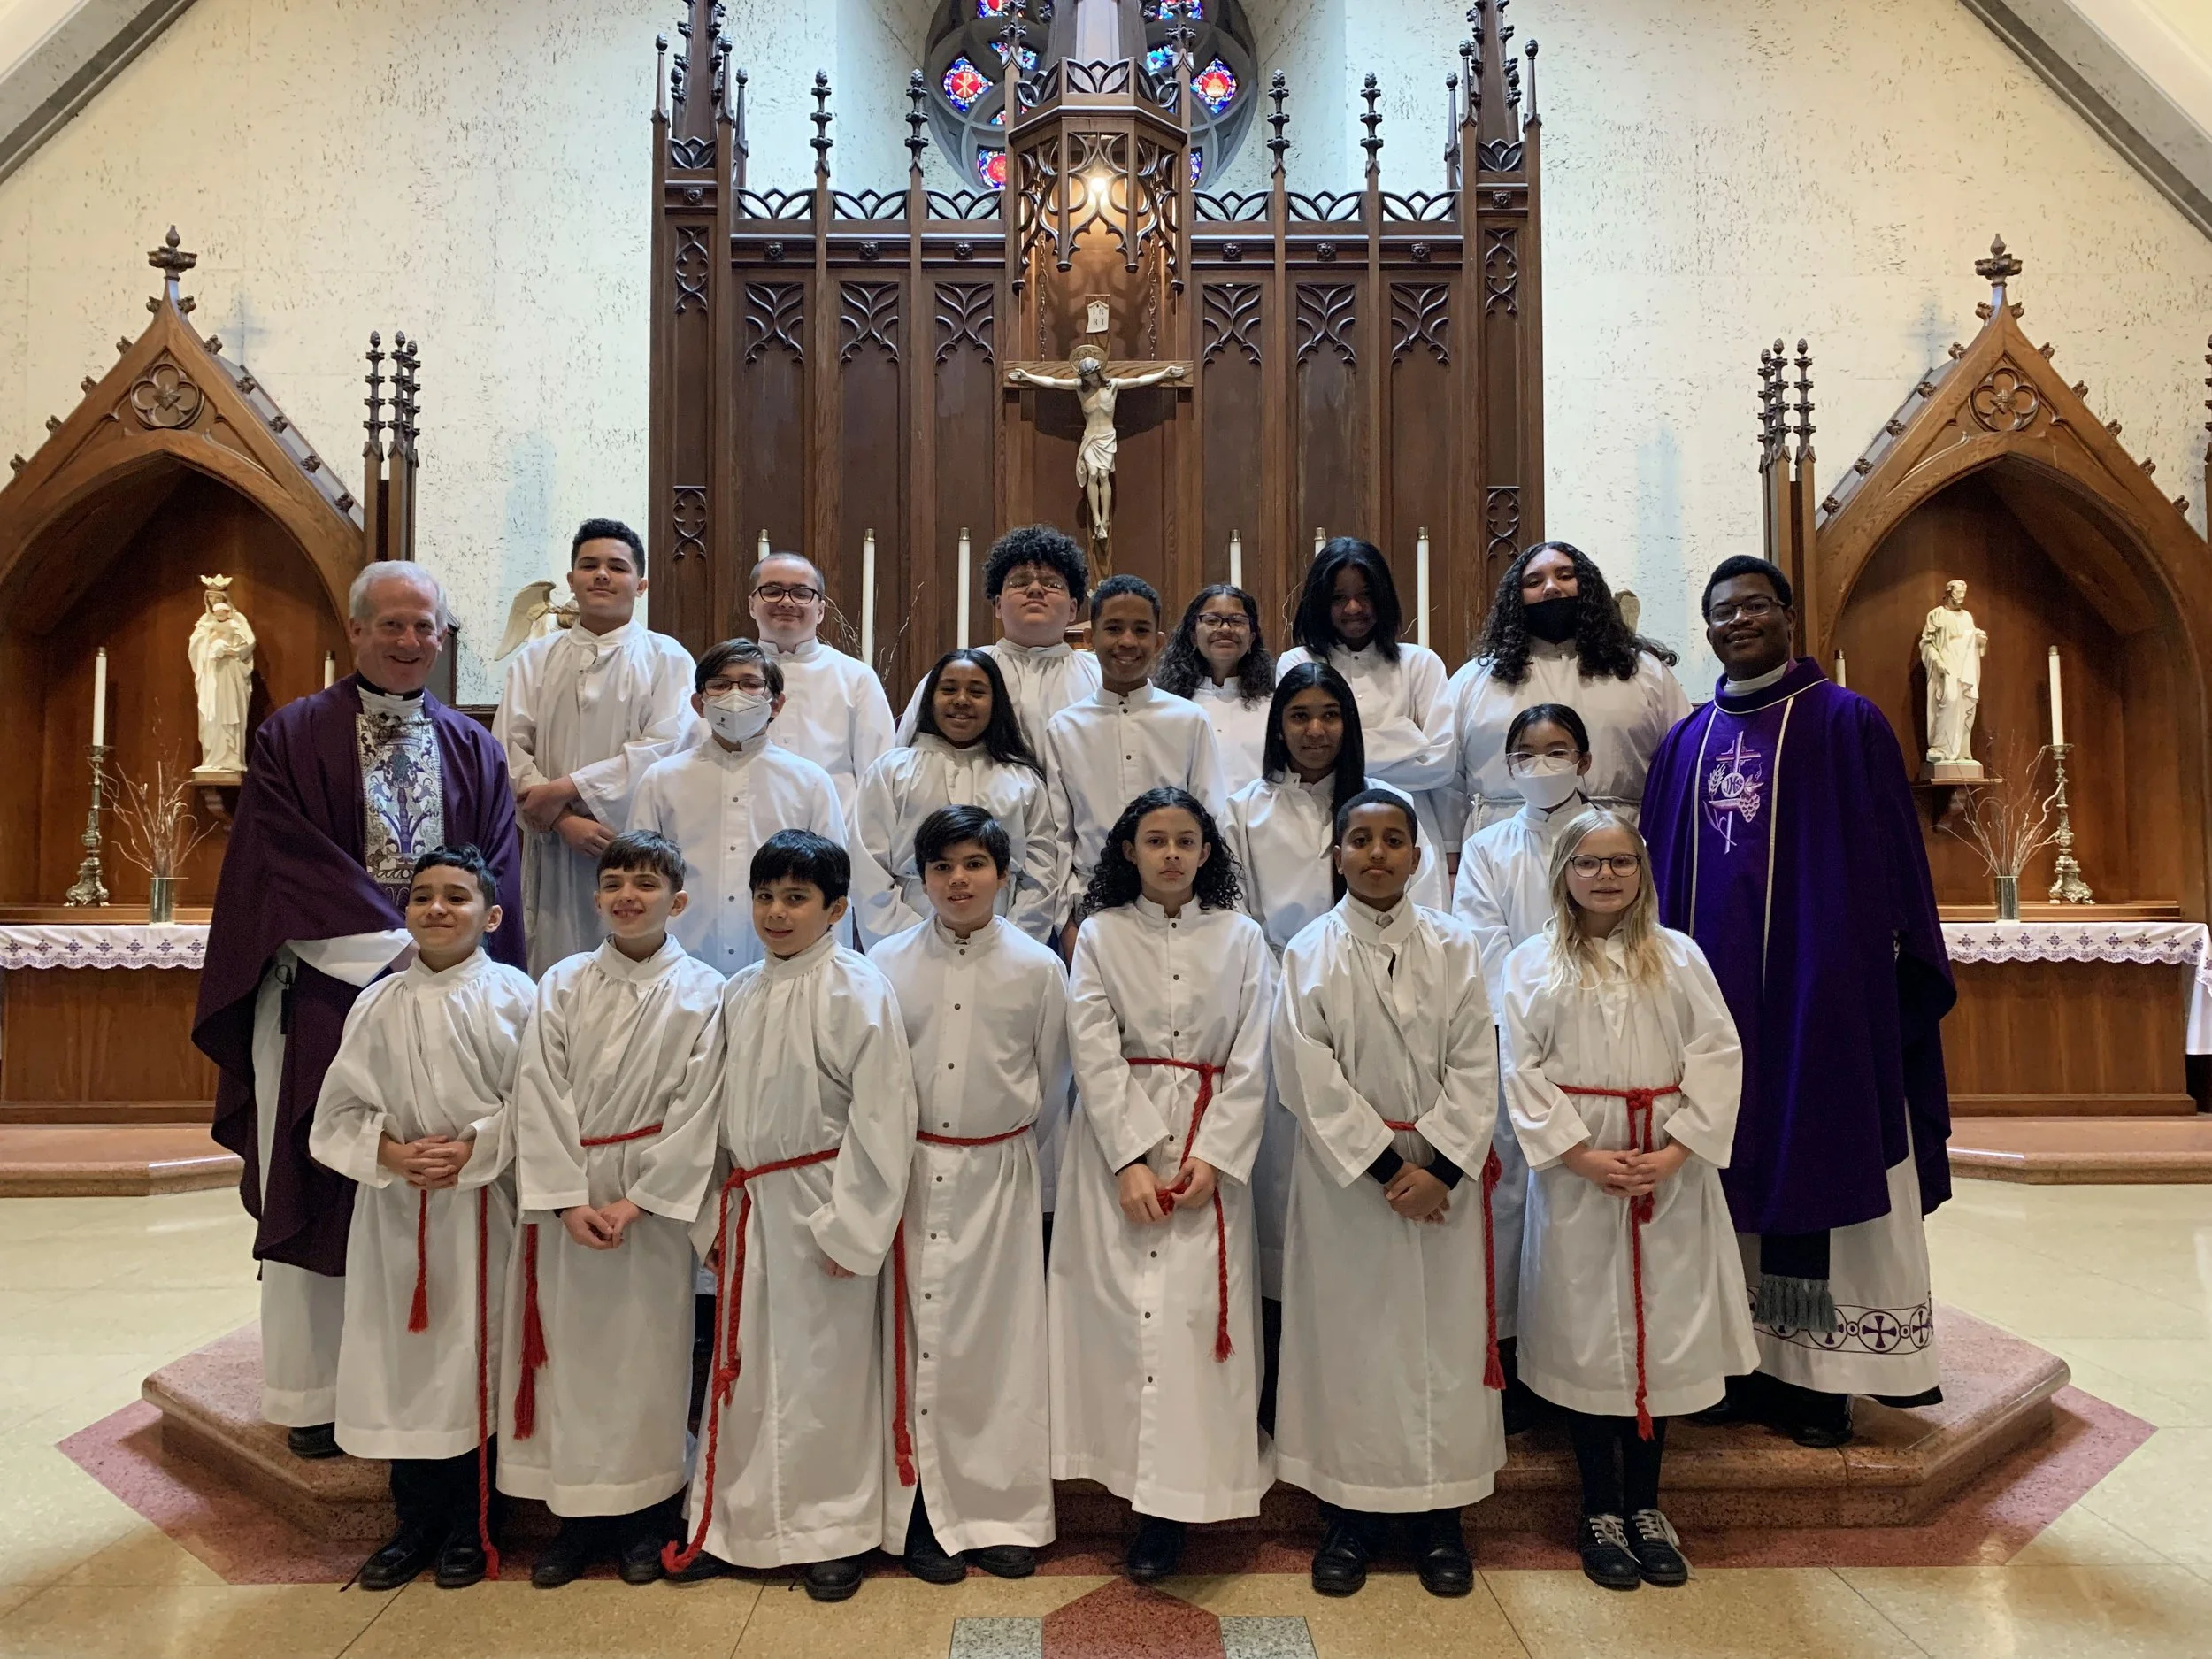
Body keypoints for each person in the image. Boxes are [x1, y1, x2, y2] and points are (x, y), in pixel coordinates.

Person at [194, 560, 525, 1457]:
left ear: (442, 637)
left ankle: (452, 1396)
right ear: (355, 631)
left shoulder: (474, 746)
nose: (409, 642)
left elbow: (495, 864)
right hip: (327, 992)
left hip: (452, 996)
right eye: (391, 625)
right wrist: (401, 952)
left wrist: (452, 961)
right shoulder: (292, 735)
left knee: (444, 1176)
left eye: (424, 626)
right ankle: (319, 1393)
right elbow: (287, 861)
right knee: (325, 1175)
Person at [1640, 556, 1954, 1448]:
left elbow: (1894, 867)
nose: (1737, 621)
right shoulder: (1684, 743)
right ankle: (1738, 1361)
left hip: (1823, 1007)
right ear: (1706, 629)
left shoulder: (1847, 724)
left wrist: (1882, 979)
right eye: (1721, 611)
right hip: (1710, 1016)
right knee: (1717, 1175)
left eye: (1754, 606)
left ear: (1786, 615)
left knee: (1818, 1159)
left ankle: (1820, 1379)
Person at [1498, 807, 1752, 1590]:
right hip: (1578, 1175)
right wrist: (1580, 1154)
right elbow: (1519, 1066)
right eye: (1589, 862)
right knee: (1587, 1333)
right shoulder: (1532, 962)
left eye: (1620, 861)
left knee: (1659, 1330)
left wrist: (1676, 1150)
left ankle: (1646, 1503)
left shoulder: (1678, 956)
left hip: (1666, 1171)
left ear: (1642, 871)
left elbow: (1718, 1054)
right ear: (1563, 873)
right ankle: (1598, 1506)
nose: (1605, 875)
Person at [664, 832, 918, 1601]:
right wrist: (711, 1216)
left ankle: (833, 1533)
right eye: (765, 896)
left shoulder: (858, 988)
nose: (777, 912)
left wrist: (855, 1226)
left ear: (836, 909)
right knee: (744, 1376)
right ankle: (735, 1525)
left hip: (821, 1205)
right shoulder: (738, 991)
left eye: (797, 897)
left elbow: (883, 1116)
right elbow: (707, 1110)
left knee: (824, 1375)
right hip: (750, 1204)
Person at [1271, 790, 1503, 1599]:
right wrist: (1386, 1170)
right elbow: (1307, 1075)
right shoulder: (1308, 951)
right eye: (1361, 839)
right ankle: (1349, 1516)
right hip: (1348, 1190)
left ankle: (1443, 1519)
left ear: (1417, 855)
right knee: (1351, 1345)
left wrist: (1439, 1167)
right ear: (1336, 854)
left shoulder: (1455, 945)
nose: (1377, 853)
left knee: (1444, 1347)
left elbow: (1477, 1061)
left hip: (1442, 1183)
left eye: (1393, 839)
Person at [1048, 787, 1272, 1583]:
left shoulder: (1242, 937)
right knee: (1120, 1324)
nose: (1171, 854)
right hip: (1118, 1151)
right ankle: (1134, 1497)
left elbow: (1255, 1051)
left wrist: (1216, 1153)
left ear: (1207, 852)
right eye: (1155, 840)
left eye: (1185, 840)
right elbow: (1091, 1045)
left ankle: (1181, 1503)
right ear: (1128, 851)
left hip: (1210, 1146)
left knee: (1193, 1326)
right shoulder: (1101, 934)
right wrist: (1131, 1156)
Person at [500, 831, 725, 1587]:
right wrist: (567, 1199)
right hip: (571, 1197)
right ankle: (577, 1524)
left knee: (648, 1362)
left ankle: (646, 1519)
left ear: (678, 901)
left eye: (647, 883)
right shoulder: (562, 982)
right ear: (596, 897)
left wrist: (638, 1200)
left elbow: (701, 1105)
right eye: (617, 881)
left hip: (649, 1209)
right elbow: (538, 1089)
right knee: (571, 1364)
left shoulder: (704, 991)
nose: (630, 894)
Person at [309, 845, 535, 1591]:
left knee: (473, 1359)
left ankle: (473, 1523)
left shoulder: (516, 996)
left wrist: (477, 1145)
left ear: (491, 916)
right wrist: (388, 1151)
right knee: (402, 1365)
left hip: (481, 1208)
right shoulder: (376, 1002)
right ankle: (413, 1522)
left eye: (457, 896)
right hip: (396, 1212)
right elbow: (336, 1112)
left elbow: (539, 1103)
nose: (437, 908)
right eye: (422, 896)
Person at [871, 805, 1068, 1583]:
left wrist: (1006, 1152)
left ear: (1004, 874)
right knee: (911, 1344)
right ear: (921, 878)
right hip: (910, 1173)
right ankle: (917, 1511)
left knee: (996, 1349)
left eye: (975, 864)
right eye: (943, 866)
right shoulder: (885, 962)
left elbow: (1052, 1080)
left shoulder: (1038, 967)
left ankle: (996, 1512)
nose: (959, 880)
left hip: (998, 1175)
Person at [1220, 661, 1444, 1337]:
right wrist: (1291, 996)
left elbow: (1423, 914)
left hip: (1380, 1005)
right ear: (1277, 726)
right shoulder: (1245, 809)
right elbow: (1236, 919)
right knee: (1285, 1180)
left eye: (1329, 714)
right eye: (1299, 715)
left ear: (1349, 724)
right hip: (1275, 1004)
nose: (1315, 730)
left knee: (1371, 1176)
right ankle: (1286, 1340)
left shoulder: (1383, 805)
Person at [1451, 702, 1600, 1426]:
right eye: (1526, 755)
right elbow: (1483, 946)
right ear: (1508, 767)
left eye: (1557, 751)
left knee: (1582, 1203)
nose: (1542, 766)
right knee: (1509, 1199)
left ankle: (1582, 1361)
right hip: (1513, 1042)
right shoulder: (1487, 846)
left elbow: (1628, 932)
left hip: (1599, 1046)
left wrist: (1575, 1013)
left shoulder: (1610, 842)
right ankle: (1510, 1353)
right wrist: (1534, 1025)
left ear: (1585, 761)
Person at [495, 519, 697, 973]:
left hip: (634, 840)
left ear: (641, 584)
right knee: (556, 964)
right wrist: (563, 820)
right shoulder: (535, 659)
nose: (602, 575)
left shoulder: (667, 658)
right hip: (553, 847)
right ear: (572, 580)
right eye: (589, 566)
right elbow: (508, 748)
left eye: (617, 567)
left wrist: (564, 789)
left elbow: (666, 748)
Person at [628, 639, 846, 978]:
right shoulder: (661, 780)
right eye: (719, 684)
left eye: (750, 684)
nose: (735, 695)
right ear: (699, 704)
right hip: (680, 971)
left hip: (785, 968)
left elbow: (834, 884)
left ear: (777, 704)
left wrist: (829, 974)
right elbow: (636, 878)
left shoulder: (810, 782)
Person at [1444, 541, 1688, 845]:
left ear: (1588, 587)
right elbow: (1448, 781)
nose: (1551, 588)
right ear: (1514, 598)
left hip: (1617, 846)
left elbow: (1683, 764)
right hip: (1502, 848)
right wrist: (1451, 852)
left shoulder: (1644, 673)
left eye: (1565, 576)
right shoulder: (1474, 679)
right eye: (1534, 581)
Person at [1044, 574, 1227, 941]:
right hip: (1093, 905)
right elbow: (1058, 836)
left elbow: (1212, 817)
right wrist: (1065, 921)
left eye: (1140, 630)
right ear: (1090, 638)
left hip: (1178, 902)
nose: (1127, 641)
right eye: (1113, 629)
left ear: (1158, 642)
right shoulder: (1065, 728)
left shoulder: (1189, 720)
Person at [854, 649, 1064, 950]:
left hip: (1002, 937)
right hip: (906, 935)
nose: (962, 700)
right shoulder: (891, 772)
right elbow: (868, 869)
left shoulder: (1023, 781)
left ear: (996, 703)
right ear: (930, 697)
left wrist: (1009, 945)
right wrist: (909, 945)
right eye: (949, 689)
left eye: (977, 692)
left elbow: (1041, 875)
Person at [1276, 537, 1456, 850]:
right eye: (1338, 597)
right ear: (1321, 602)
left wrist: (1340, 755)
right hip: (1319, 825)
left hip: (1412, 830)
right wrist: (1406, 738)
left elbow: (1441, 765)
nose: (1353, 608)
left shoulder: (1420, 664)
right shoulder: (1299, 663)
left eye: (1365, 595)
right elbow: (1300, 758)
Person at [897, 525, 1101, 753]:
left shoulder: (1099, 676)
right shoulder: (959, 673)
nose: (1035, 589)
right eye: (1020, 582)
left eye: (1052, 584)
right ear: (998, 605)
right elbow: (910, 758)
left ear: (1073, 609)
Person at [749, 549, 896, 826]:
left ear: (820, 610)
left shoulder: (856, 677)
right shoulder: (727, 678)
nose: (786, 602)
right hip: (750, 829)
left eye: (801, 593)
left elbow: (878, 776)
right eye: (772, 591)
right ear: (751, 605)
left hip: (834, 836)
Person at [1154, 584, 1274, 794]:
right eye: (1212, 620)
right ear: (1193, 635)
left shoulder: (1273, 705)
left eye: (1237, 621)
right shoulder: (1167, 705)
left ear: (1252, 637)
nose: (1225, 629)